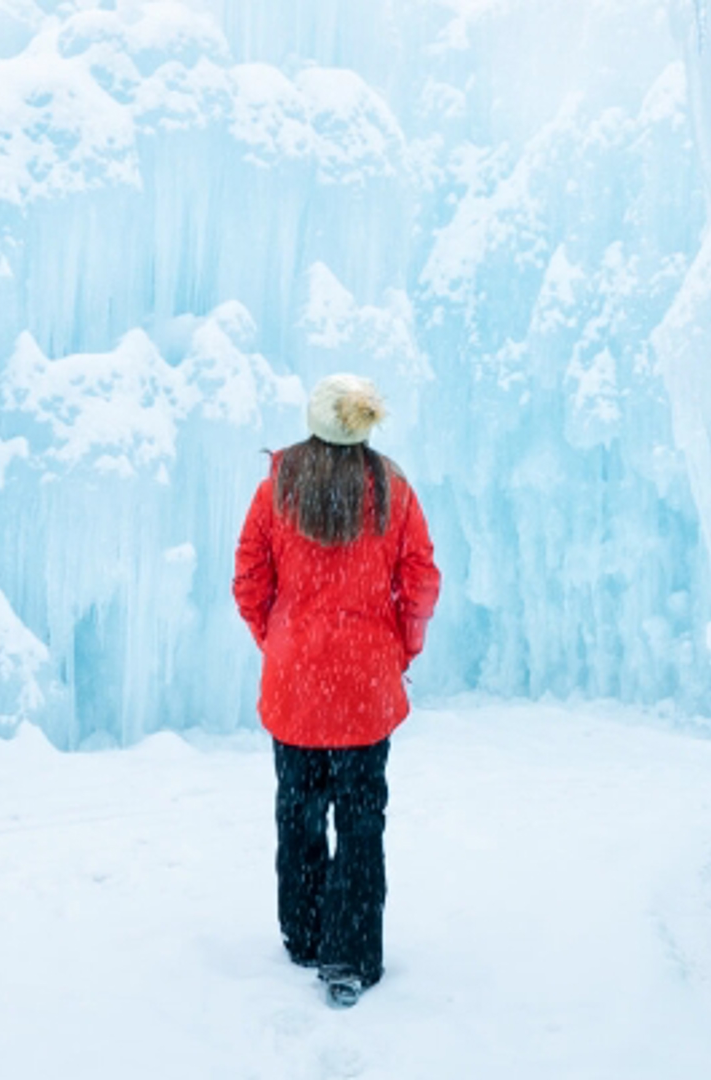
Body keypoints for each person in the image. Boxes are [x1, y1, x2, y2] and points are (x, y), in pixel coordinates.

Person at [231, 373, 441, 1009]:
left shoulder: (276, 489)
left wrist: (280, 642)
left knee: (298, 813)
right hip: (365, 688)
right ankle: (349, 956)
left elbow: (249, 580)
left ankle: (303, 935)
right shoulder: (394, 491)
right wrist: (398, 648)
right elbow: (421, 581)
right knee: (360, 820)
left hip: (295, 684)